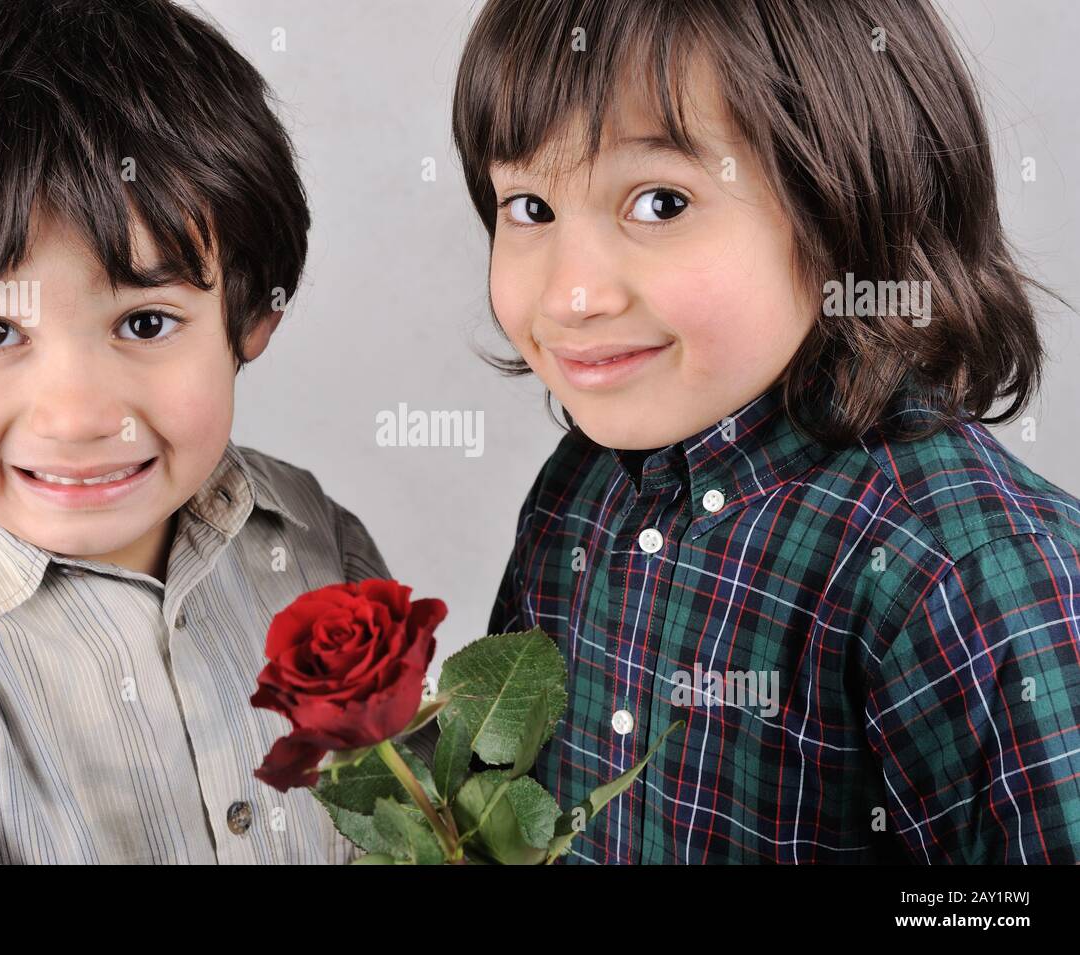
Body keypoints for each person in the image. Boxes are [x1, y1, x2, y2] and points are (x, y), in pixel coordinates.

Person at [0, 0, 407, 864]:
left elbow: (416, 818)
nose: (77, 417)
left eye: (145, 324)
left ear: (255, 311)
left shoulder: (310, 537)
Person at [455, 0, 1080, 863]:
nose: (573, 294)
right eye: (528, 208)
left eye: (661, 202)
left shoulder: (963, 575)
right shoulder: (579, 489)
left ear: (847, 202)